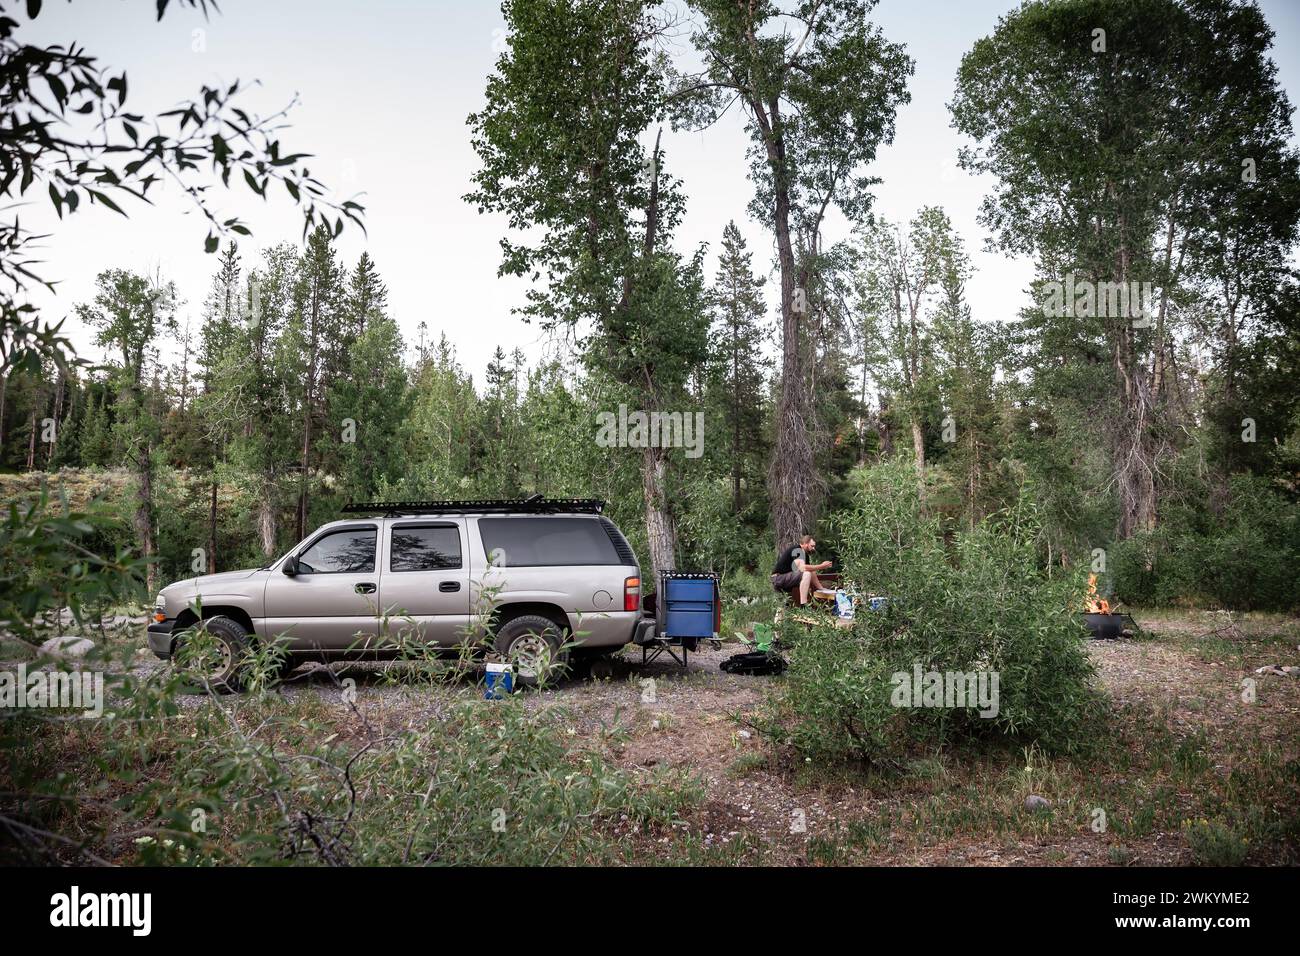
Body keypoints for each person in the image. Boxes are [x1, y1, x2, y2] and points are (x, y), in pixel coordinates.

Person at [771, 534, 832, 606]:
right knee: (806, 573)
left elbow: (811, 570)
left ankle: (821, 589)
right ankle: (803, 604)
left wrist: (821, 589)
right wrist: (821, 566)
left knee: (809, 571)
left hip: (786, 578)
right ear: (806, 544)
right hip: (778, 578)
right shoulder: (798, 550)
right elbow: (803, 568)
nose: (814, 549)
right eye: (812, 546)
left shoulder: (805, 555)